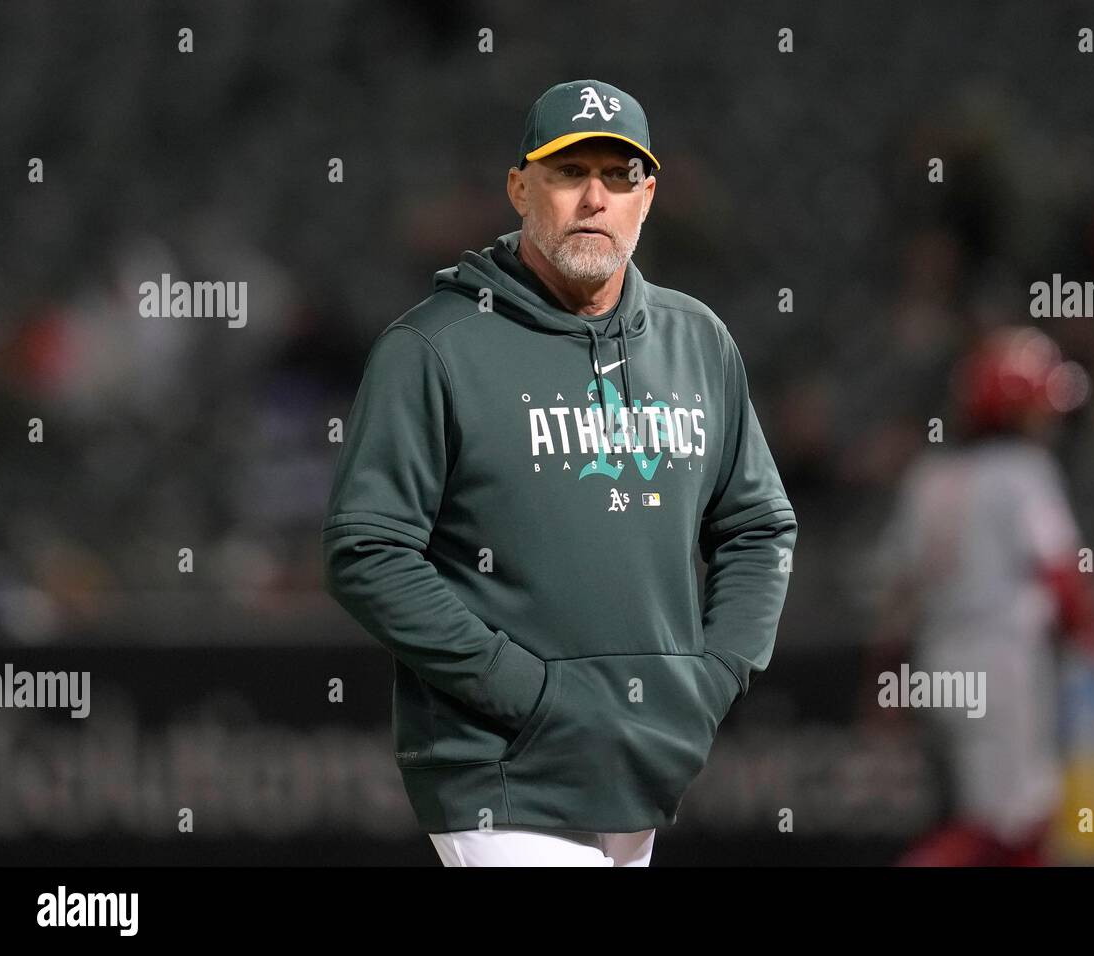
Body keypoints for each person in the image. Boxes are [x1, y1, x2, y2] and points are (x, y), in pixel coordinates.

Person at [322, 79, 798, 866]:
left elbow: (758, 526)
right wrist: (528, 693)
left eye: (619, 176)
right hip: (501, 765)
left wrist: (711, 677)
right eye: (569, 172)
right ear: (519, 188)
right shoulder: (436, 346)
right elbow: (365, 550)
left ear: (648, 197)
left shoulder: (698, 342)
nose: (594, 198)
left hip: (641, 761)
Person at [871, 326, 1094, 866]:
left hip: (939, 660)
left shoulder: (929, 478)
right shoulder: (1022, 472)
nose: (1049, 419)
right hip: (999, 662)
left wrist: (882, 680)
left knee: (1020, 823)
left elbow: (897, 598)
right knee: (1007, 825)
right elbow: (1061, 572)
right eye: (1039, 407)